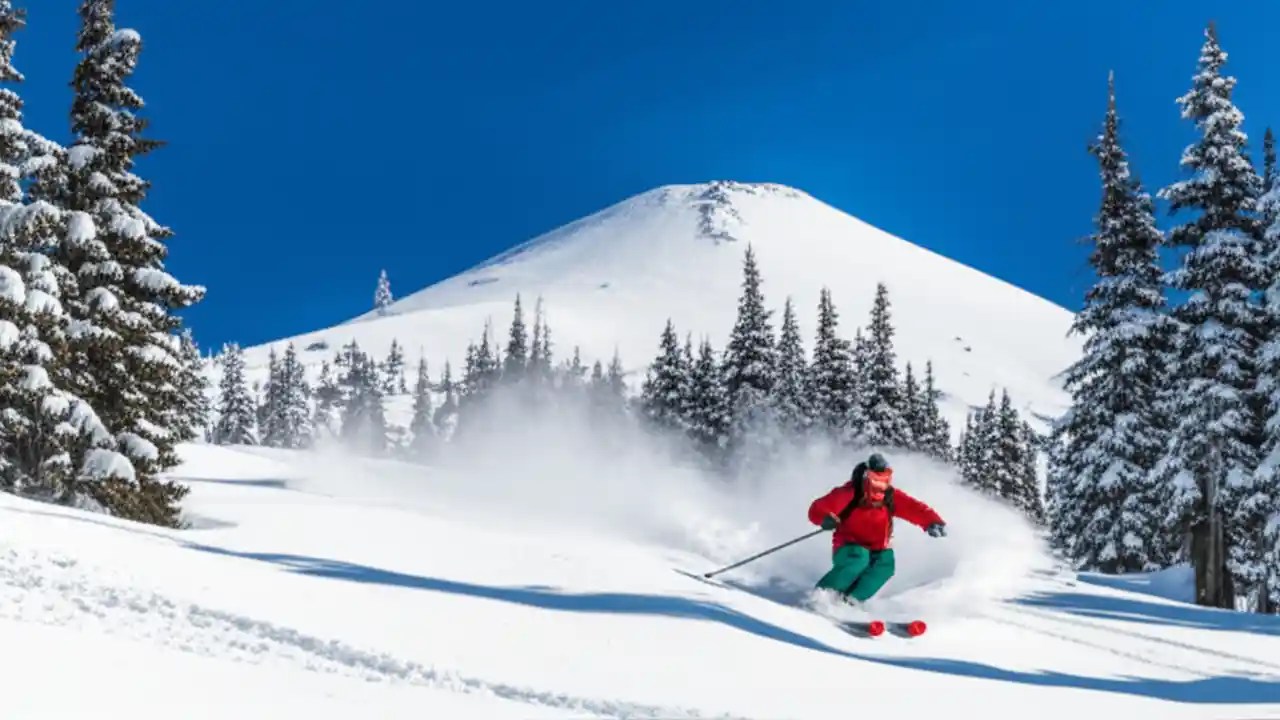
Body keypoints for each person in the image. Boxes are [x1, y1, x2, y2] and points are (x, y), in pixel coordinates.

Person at [807, 453, 946, 605]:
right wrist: (824, 518)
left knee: (885, 566)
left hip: (877, 548)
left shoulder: (890, 496)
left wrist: (932, 521)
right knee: (859, 558)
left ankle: (851, 600)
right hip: (848, 546)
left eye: (885, 480)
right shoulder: (849, 493)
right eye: (876, 480)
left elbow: (913, 508)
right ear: (866, 477)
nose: (880, 486)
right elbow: (817, 509)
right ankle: (824, 594)